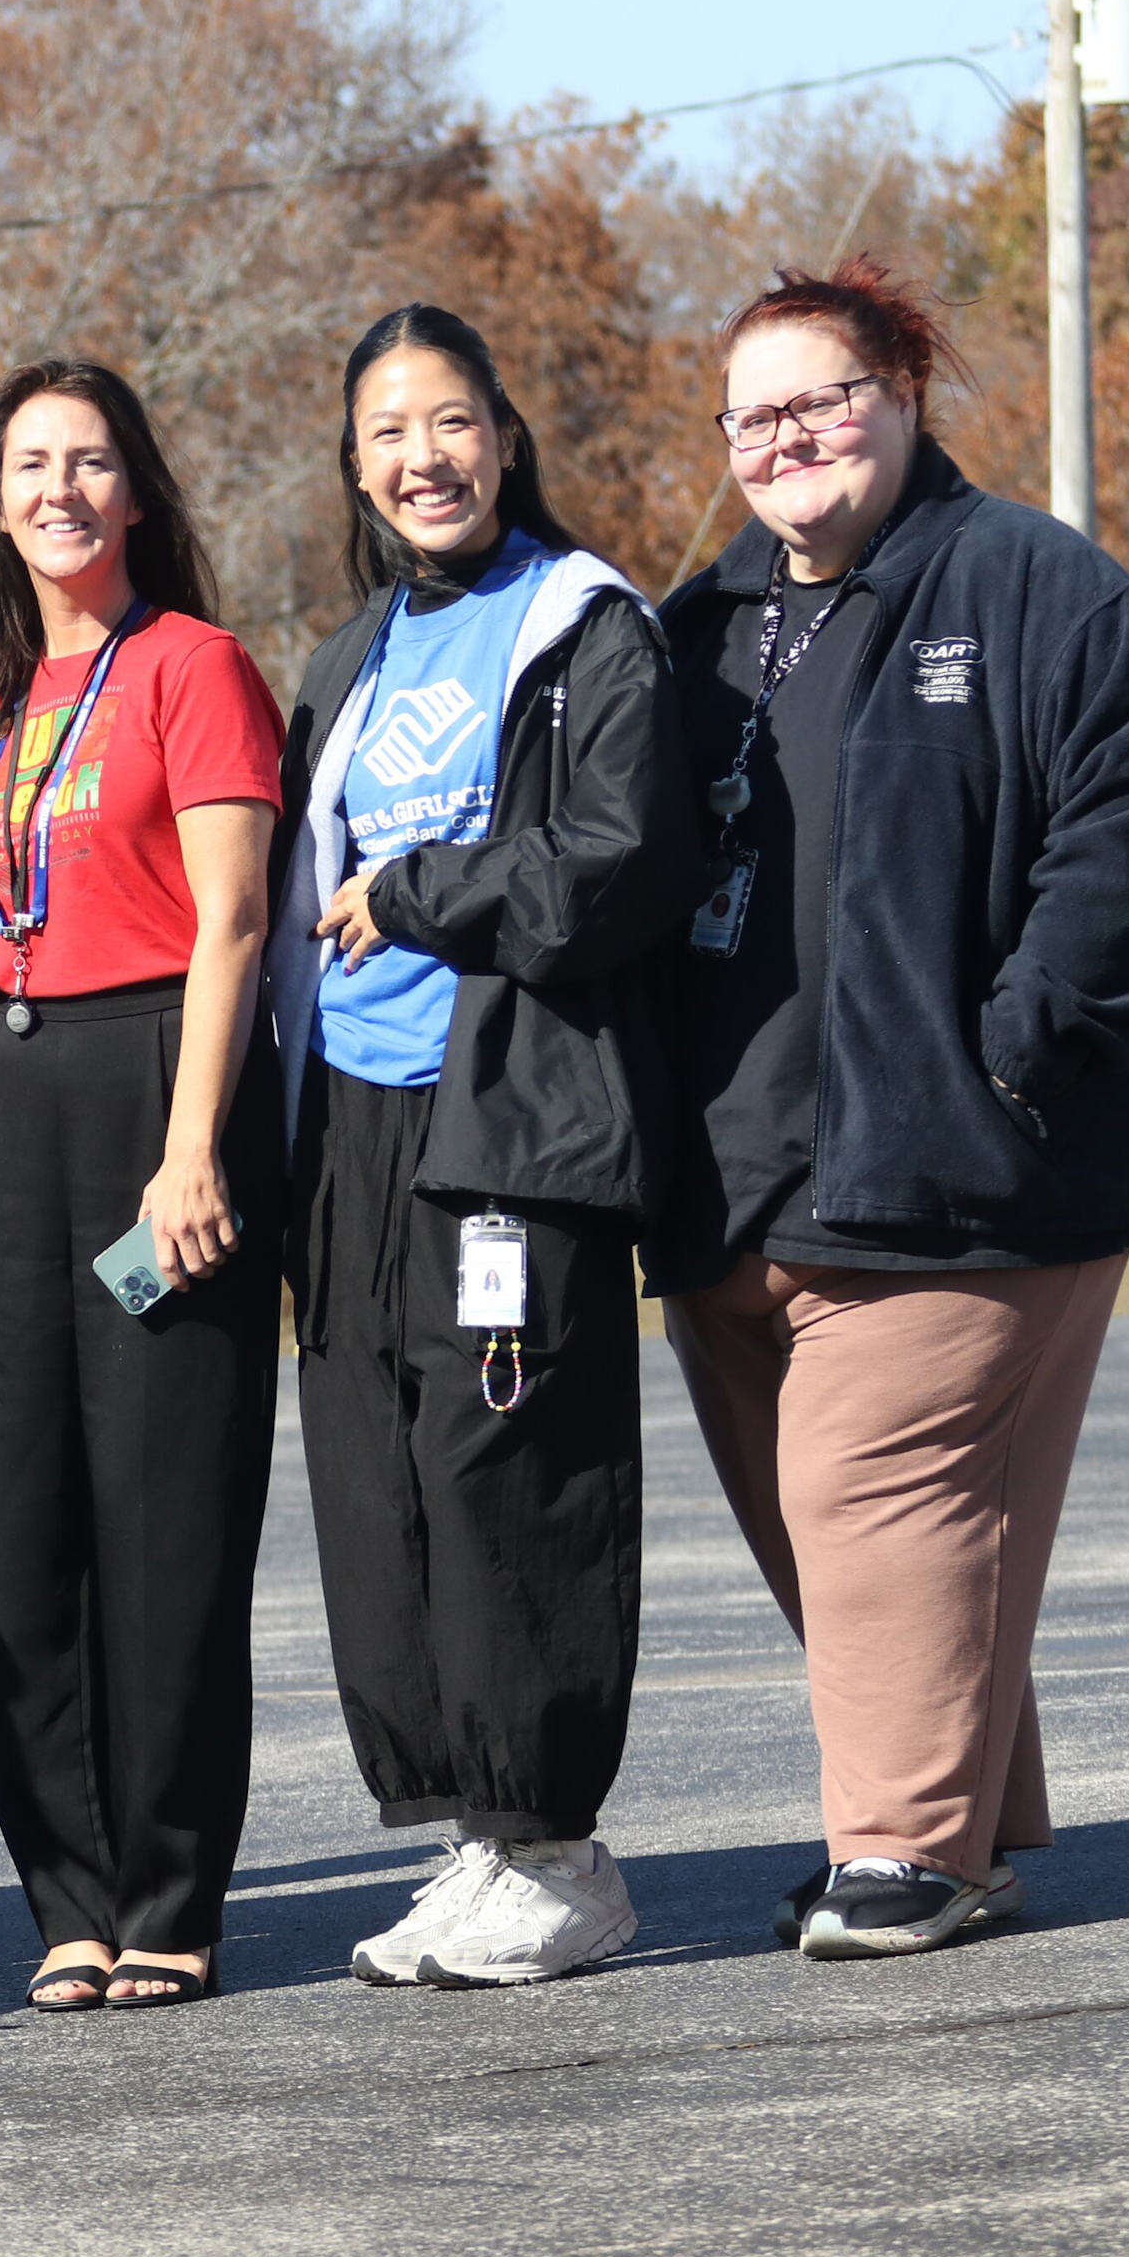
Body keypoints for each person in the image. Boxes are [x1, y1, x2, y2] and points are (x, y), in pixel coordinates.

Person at [651, 260, 1129, 1959]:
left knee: (868, 1492)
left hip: (969, 1167)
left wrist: (1014, 1047)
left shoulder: (1034, 585)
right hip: (738, 1175)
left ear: (901, 389)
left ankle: (909, 1846)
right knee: (844, 1530)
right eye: (754, 414)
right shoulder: (701, 627)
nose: (787, 436)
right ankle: (980, 1803)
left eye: (821, 396)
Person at [266, 304, 697, 1993]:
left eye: (449, 421)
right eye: (384, 431)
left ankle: (561, 1847)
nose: (419, 457)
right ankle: (474, 1831)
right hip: (356, 1120)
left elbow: (618, 861)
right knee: (382, 1471)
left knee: (509, 1461)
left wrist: (424, 890)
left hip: (513, 1112)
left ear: (506, 438)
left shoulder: (588, 629)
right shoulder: (345, 659)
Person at [0, 364, 286, 2015]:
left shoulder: (192, 667)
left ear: (134, 489)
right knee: (25, 1519)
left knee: (164, 1517)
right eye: (28, 464)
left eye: (89, 460)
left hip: (157, 1080)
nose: (59, 487)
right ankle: (63, 1892)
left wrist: (194, 1138)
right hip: (9, 1084)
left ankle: (166, 1888)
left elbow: (229, 921)